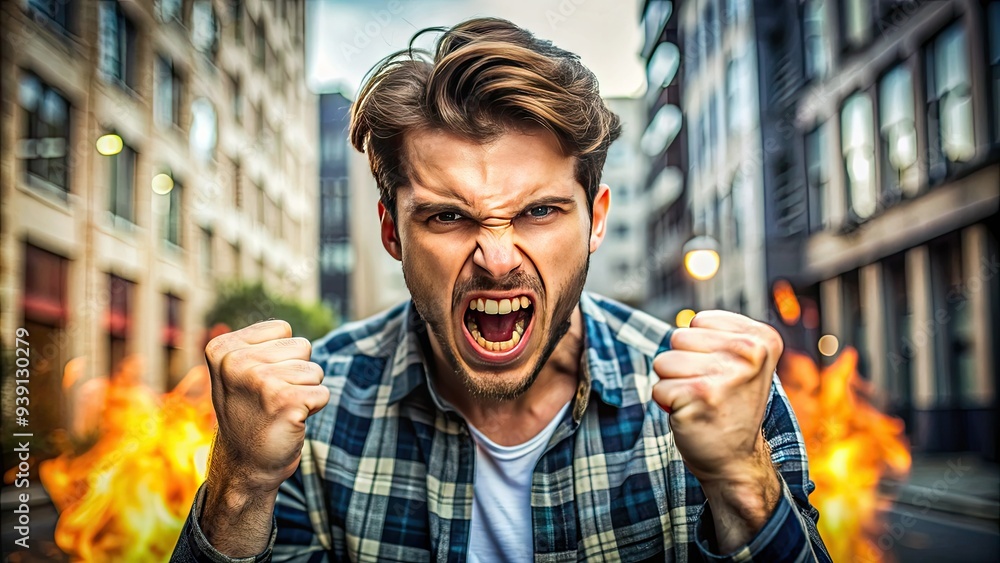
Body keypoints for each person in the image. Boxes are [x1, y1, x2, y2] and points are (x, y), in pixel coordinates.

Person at [172, 18, 831, 562]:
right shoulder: (309, 420)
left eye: (539, 211)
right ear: (391, 231)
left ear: (597, 218)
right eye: (447, 216)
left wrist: (742, 481)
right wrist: (240, 486)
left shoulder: (722, 400)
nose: (494, 259)